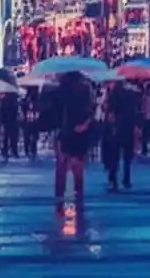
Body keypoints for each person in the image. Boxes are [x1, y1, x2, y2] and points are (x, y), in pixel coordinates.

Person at [53, 72, 95, 206]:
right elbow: (90, 111)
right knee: (78, 166)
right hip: (79, 131)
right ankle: (78, 194)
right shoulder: (85, 89)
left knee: (62, 164)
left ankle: (60, 195)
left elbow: (54, 111)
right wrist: (85, 125)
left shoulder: (59, 90)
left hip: (65, 130)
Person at [101, 81, 139, 190]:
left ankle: (113, 178)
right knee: (127, 155)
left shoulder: (114, 94)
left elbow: (108, 110)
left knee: (114, 154)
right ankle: (126, 178)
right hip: (128, 126)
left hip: (117, 127)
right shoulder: (131, 94)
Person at [0, 90, 21, 159]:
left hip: (7, 121)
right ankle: (14, 151)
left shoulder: (4, 100)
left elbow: (1, 111)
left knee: (7, 137)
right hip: (12, 121)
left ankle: (6, 151)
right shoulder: (15, 100)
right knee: (13, 137)